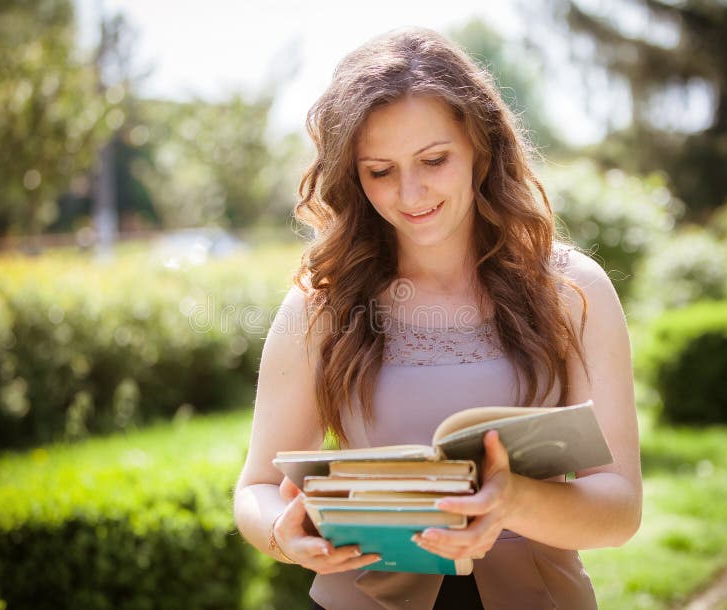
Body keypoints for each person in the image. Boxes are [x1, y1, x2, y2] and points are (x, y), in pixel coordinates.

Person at [233, 26, 642, 610]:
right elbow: (256, 491)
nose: (411, 192)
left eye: (434, 159)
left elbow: (621, 510)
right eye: (380, 170)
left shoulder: (574, 291)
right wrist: (282, 530)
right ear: (353, 175)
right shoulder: (319, 304)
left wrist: (511, 502)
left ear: (482, 145)